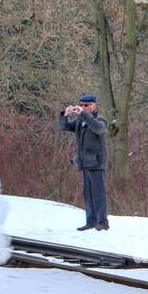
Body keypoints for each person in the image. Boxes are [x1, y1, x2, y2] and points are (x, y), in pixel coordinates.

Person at [57, 94, 109, 231]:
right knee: (88, 193)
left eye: (86, 105)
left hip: (96, 162)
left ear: (94, 106)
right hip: (85, 162)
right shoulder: (80, 121)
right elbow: (64, 127)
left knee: (99, 193)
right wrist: (65, 115)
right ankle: (91, 221)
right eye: (81, 105)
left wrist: (84, 115)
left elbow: (98, 129)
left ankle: (102, 222)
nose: (83, 107)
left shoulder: (100, 120)